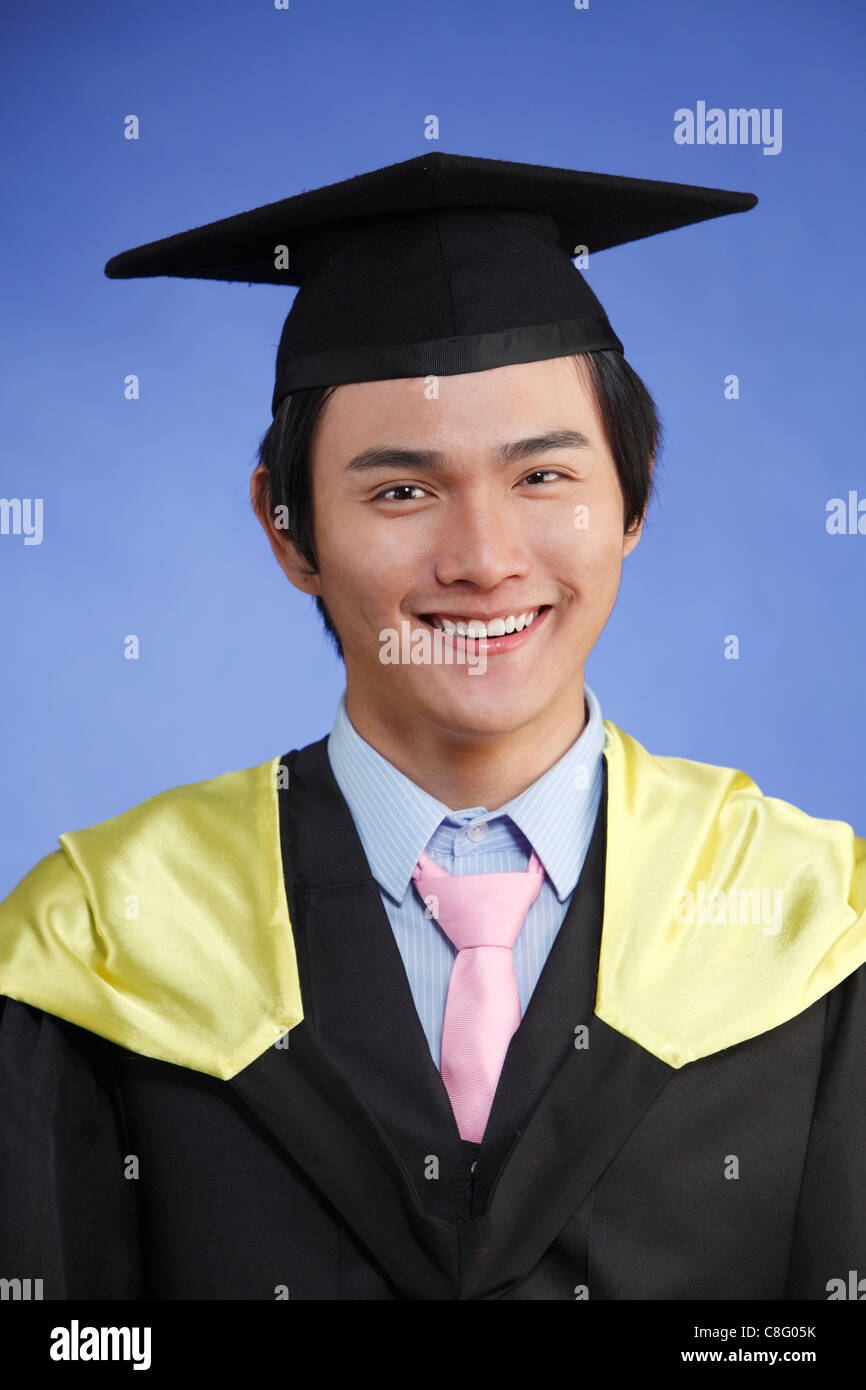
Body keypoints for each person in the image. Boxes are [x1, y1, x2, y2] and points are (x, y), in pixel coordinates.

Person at [1, 152, 864, 1301]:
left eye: (543, 476)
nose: (484, 560)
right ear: (286, 526)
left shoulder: (807, 924)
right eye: (399, 491)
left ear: (635, 494)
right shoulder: (106, 938)